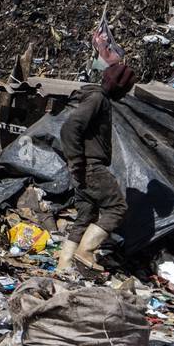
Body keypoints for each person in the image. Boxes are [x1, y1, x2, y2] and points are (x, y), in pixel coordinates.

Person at [58, 61, 137, 273]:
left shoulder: (97, 98)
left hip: (83, 168)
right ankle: (85, 252)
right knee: (117, 207)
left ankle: (64, 265)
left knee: (86, 216)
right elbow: (70, 127)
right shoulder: (97, 99)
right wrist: (76, 160)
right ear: (119, 86)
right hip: (91, 167)